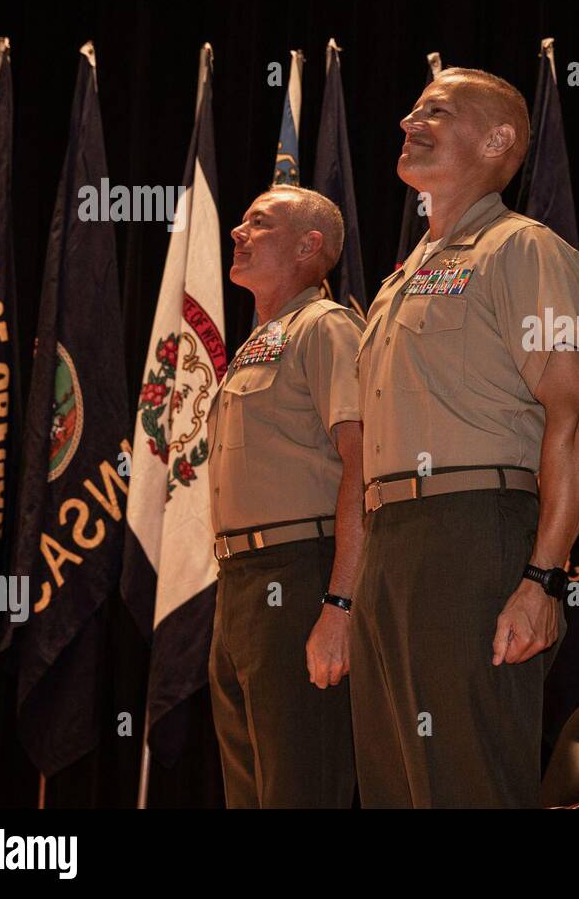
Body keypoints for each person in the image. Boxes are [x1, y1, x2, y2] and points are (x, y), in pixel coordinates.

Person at [350, 68, 579, 807]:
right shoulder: (402, 278)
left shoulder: (524, 249)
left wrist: (544, 579)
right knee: (395, 783)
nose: (409, 119)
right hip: (389, 541)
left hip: (473, 534)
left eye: (436, 109)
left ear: (498, 140)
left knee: (463, 784)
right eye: (412, 105)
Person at [206, 185, 364, 808]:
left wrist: (339, 604)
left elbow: (364, 464)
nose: (238, 233)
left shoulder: (324, 327)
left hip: (300, 576)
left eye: (258, 223)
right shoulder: (257, 341)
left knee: (301, 787)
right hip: (239, 581)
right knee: (251, 792)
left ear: (308, 245)